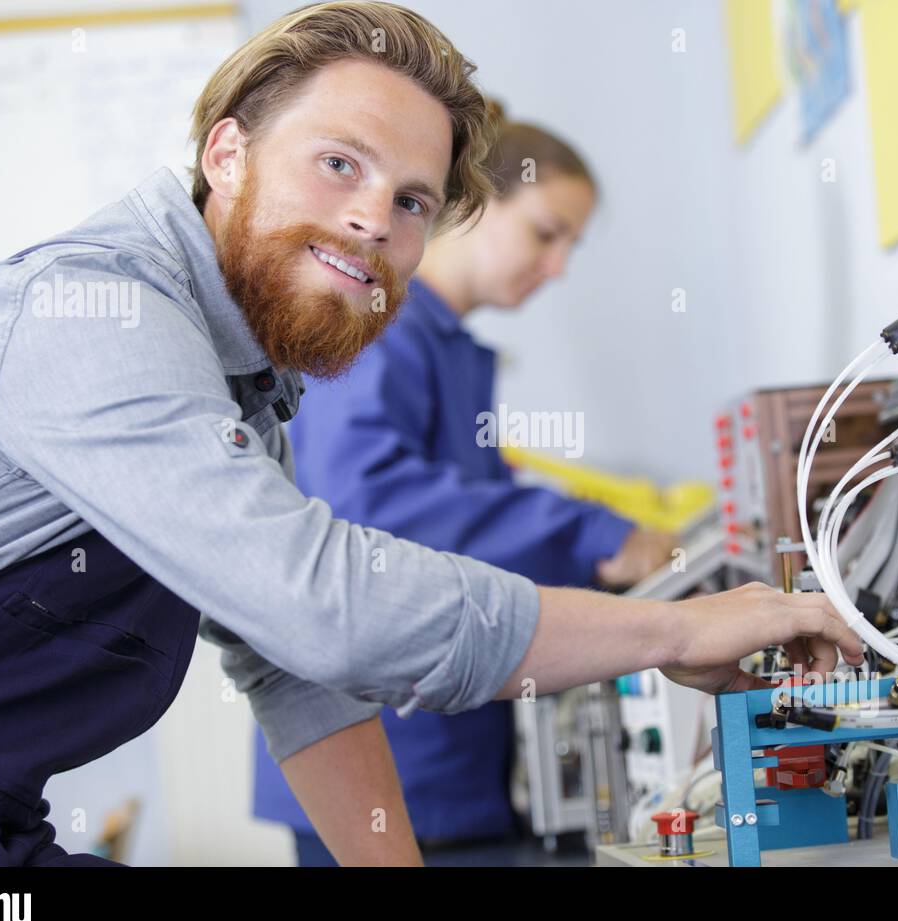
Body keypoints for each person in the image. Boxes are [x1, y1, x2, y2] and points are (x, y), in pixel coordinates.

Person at [0, 1, 861, 866]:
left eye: (410, 202)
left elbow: (292, 663)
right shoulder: (100, 316)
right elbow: (325, 606)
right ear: (227, 154)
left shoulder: (239, 380)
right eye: (338, 163)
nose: (370, 222)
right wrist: (674, 627)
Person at [254, 106, 677, 865]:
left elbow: (465, 508)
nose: (558, 267)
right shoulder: (380, 322)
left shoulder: (444, 345)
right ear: (475, 200)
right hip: (390, 759)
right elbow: (373, 504)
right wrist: (597, 536)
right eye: (546, 233)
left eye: (572, 246)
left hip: (441, 756)